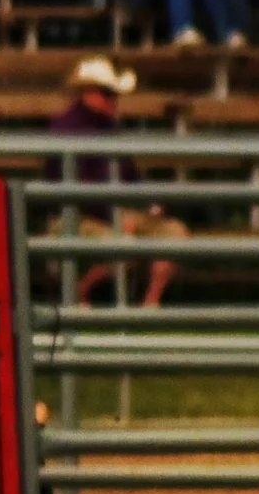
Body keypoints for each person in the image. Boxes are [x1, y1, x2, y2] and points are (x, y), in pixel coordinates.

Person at [53, 56, 188, 308]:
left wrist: (149, 202)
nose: (114, 100)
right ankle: (80, 291)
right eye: (108, 93)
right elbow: (76, 190)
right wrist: (113, 215)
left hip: (116, 210)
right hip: (79, 215)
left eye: (114, 94)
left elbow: (130, 175)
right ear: (87, 93)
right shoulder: (65, 129)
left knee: (174, 233)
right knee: (124, 245)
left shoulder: (109, 127)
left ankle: (150, 303)